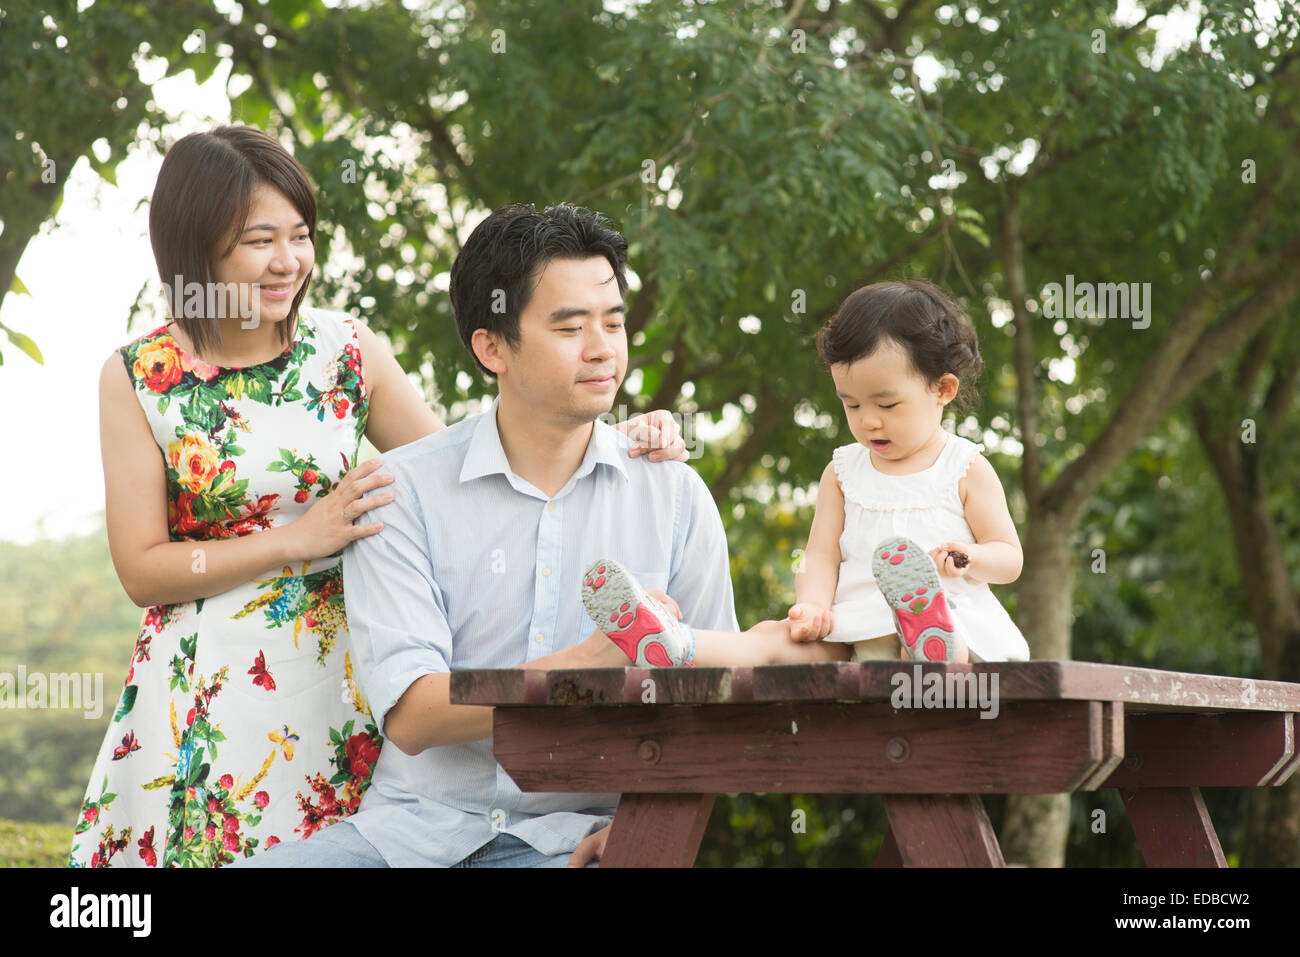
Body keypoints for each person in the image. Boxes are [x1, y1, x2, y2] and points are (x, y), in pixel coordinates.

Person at [68, 126, 687, 868]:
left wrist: (621, 432)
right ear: (195, 245)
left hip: (344, 682)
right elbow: (141, 567)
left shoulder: (345, 351)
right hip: (211, 682)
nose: (289, 260)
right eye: (259, 240)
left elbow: (469, 469)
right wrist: (299, 538)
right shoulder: (139, 376)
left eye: (300, 235)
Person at [232, 202, 841, 869]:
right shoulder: (401, 492)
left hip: (571, 843)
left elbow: (719, 697)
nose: (603, 346)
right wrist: (589, 661)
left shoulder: (672, 495)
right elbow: (415, 711)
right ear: (492, 345)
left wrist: (650, 823)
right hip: (407, 838)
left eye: (613, 321)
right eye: (570, 326)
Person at [783, 279, 1031, 664]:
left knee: (926, 648)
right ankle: (688, 645)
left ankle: (932, 639)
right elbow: (819, 557)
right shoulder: (842, 473)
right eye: (851, 406)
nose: (868, 423)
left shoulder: (964, 467)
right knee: (775, 641)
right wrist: (812, 605)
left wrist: (970, 557)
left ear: (943, 390)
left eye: (887, 405)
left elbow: (1009, 558)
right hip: (858, 626)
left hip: (950, 614)